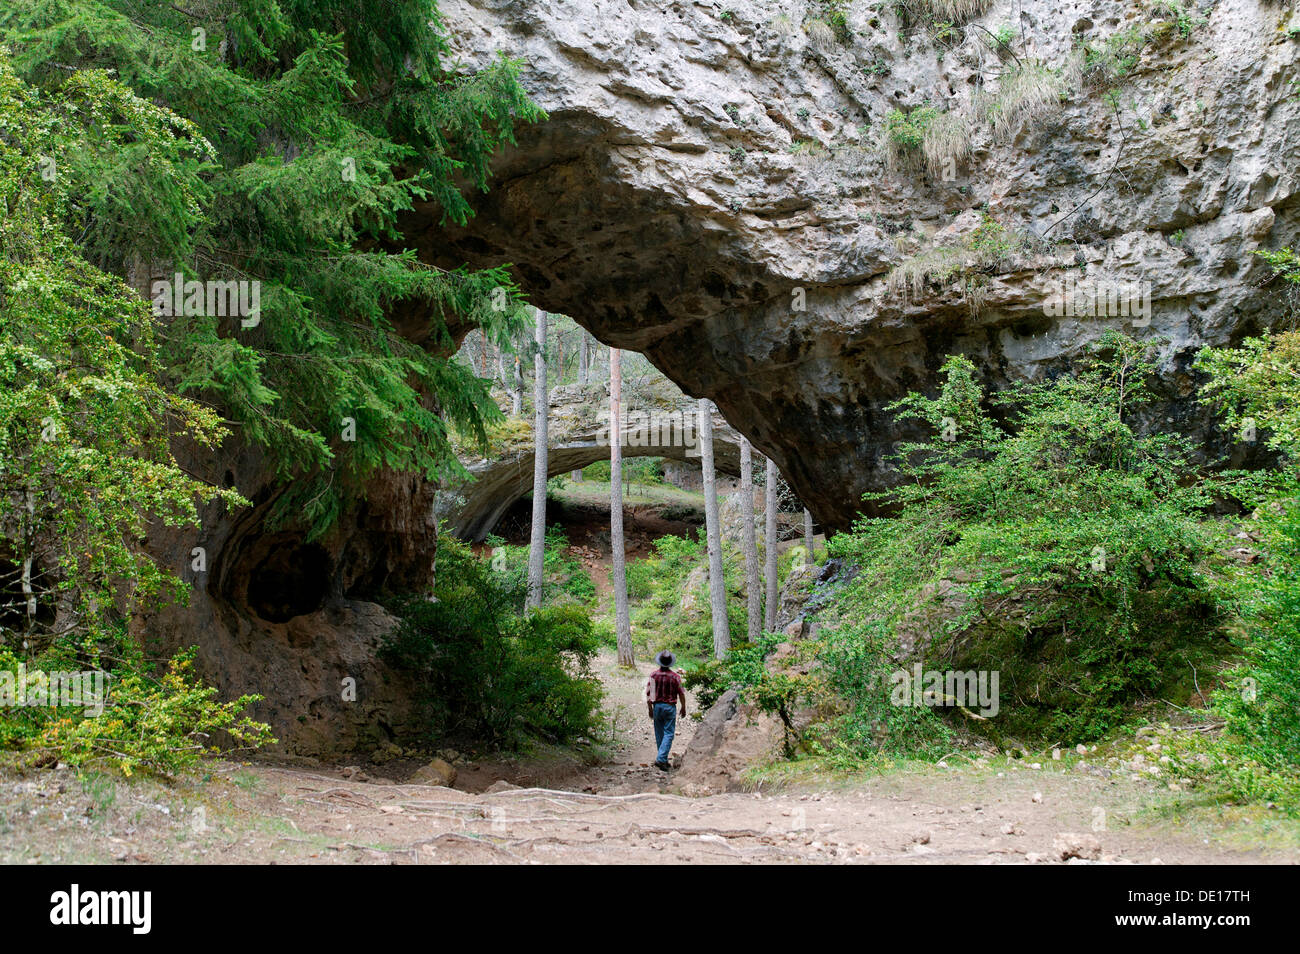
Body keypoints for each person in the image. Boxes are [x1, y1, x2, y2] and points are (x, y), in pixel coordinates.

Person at [645, 650, 687, 771]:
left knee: (659, 733)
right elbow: (681, 694)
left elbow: (649, 694)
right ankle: (661, 759)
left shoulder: (653, 675)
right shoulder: (676, 677)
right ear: (670, 663)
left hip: (657, 706)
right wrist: (683, 707)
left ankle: (661, 758)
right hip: (669, 707)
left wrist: (650, 708)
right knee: (668, 733)